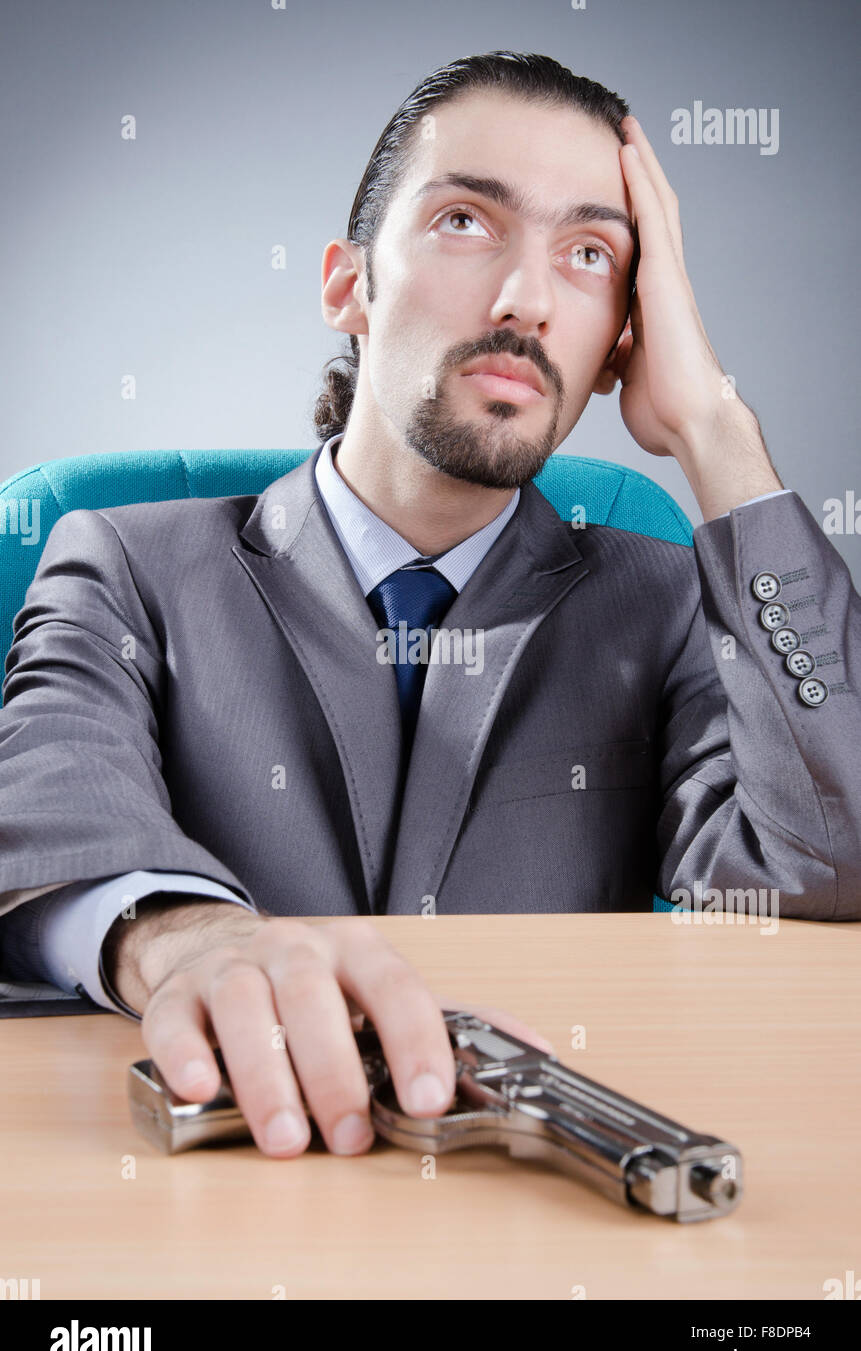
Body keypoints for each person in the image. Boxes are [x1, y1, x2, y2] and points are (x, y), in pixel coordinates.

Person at [1, 52, 859, 1161]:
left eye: (590, 256)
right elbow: (49, 796)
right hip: (219, 1177)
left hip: (530, 1189)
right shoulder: (125, 556)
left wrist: (715, 429)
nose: (526, 300)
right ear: (347, 284)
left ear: (621, 344)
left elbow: (829, 856)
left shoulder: (665, 605)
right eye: (466, 222)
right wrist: (187, 942)